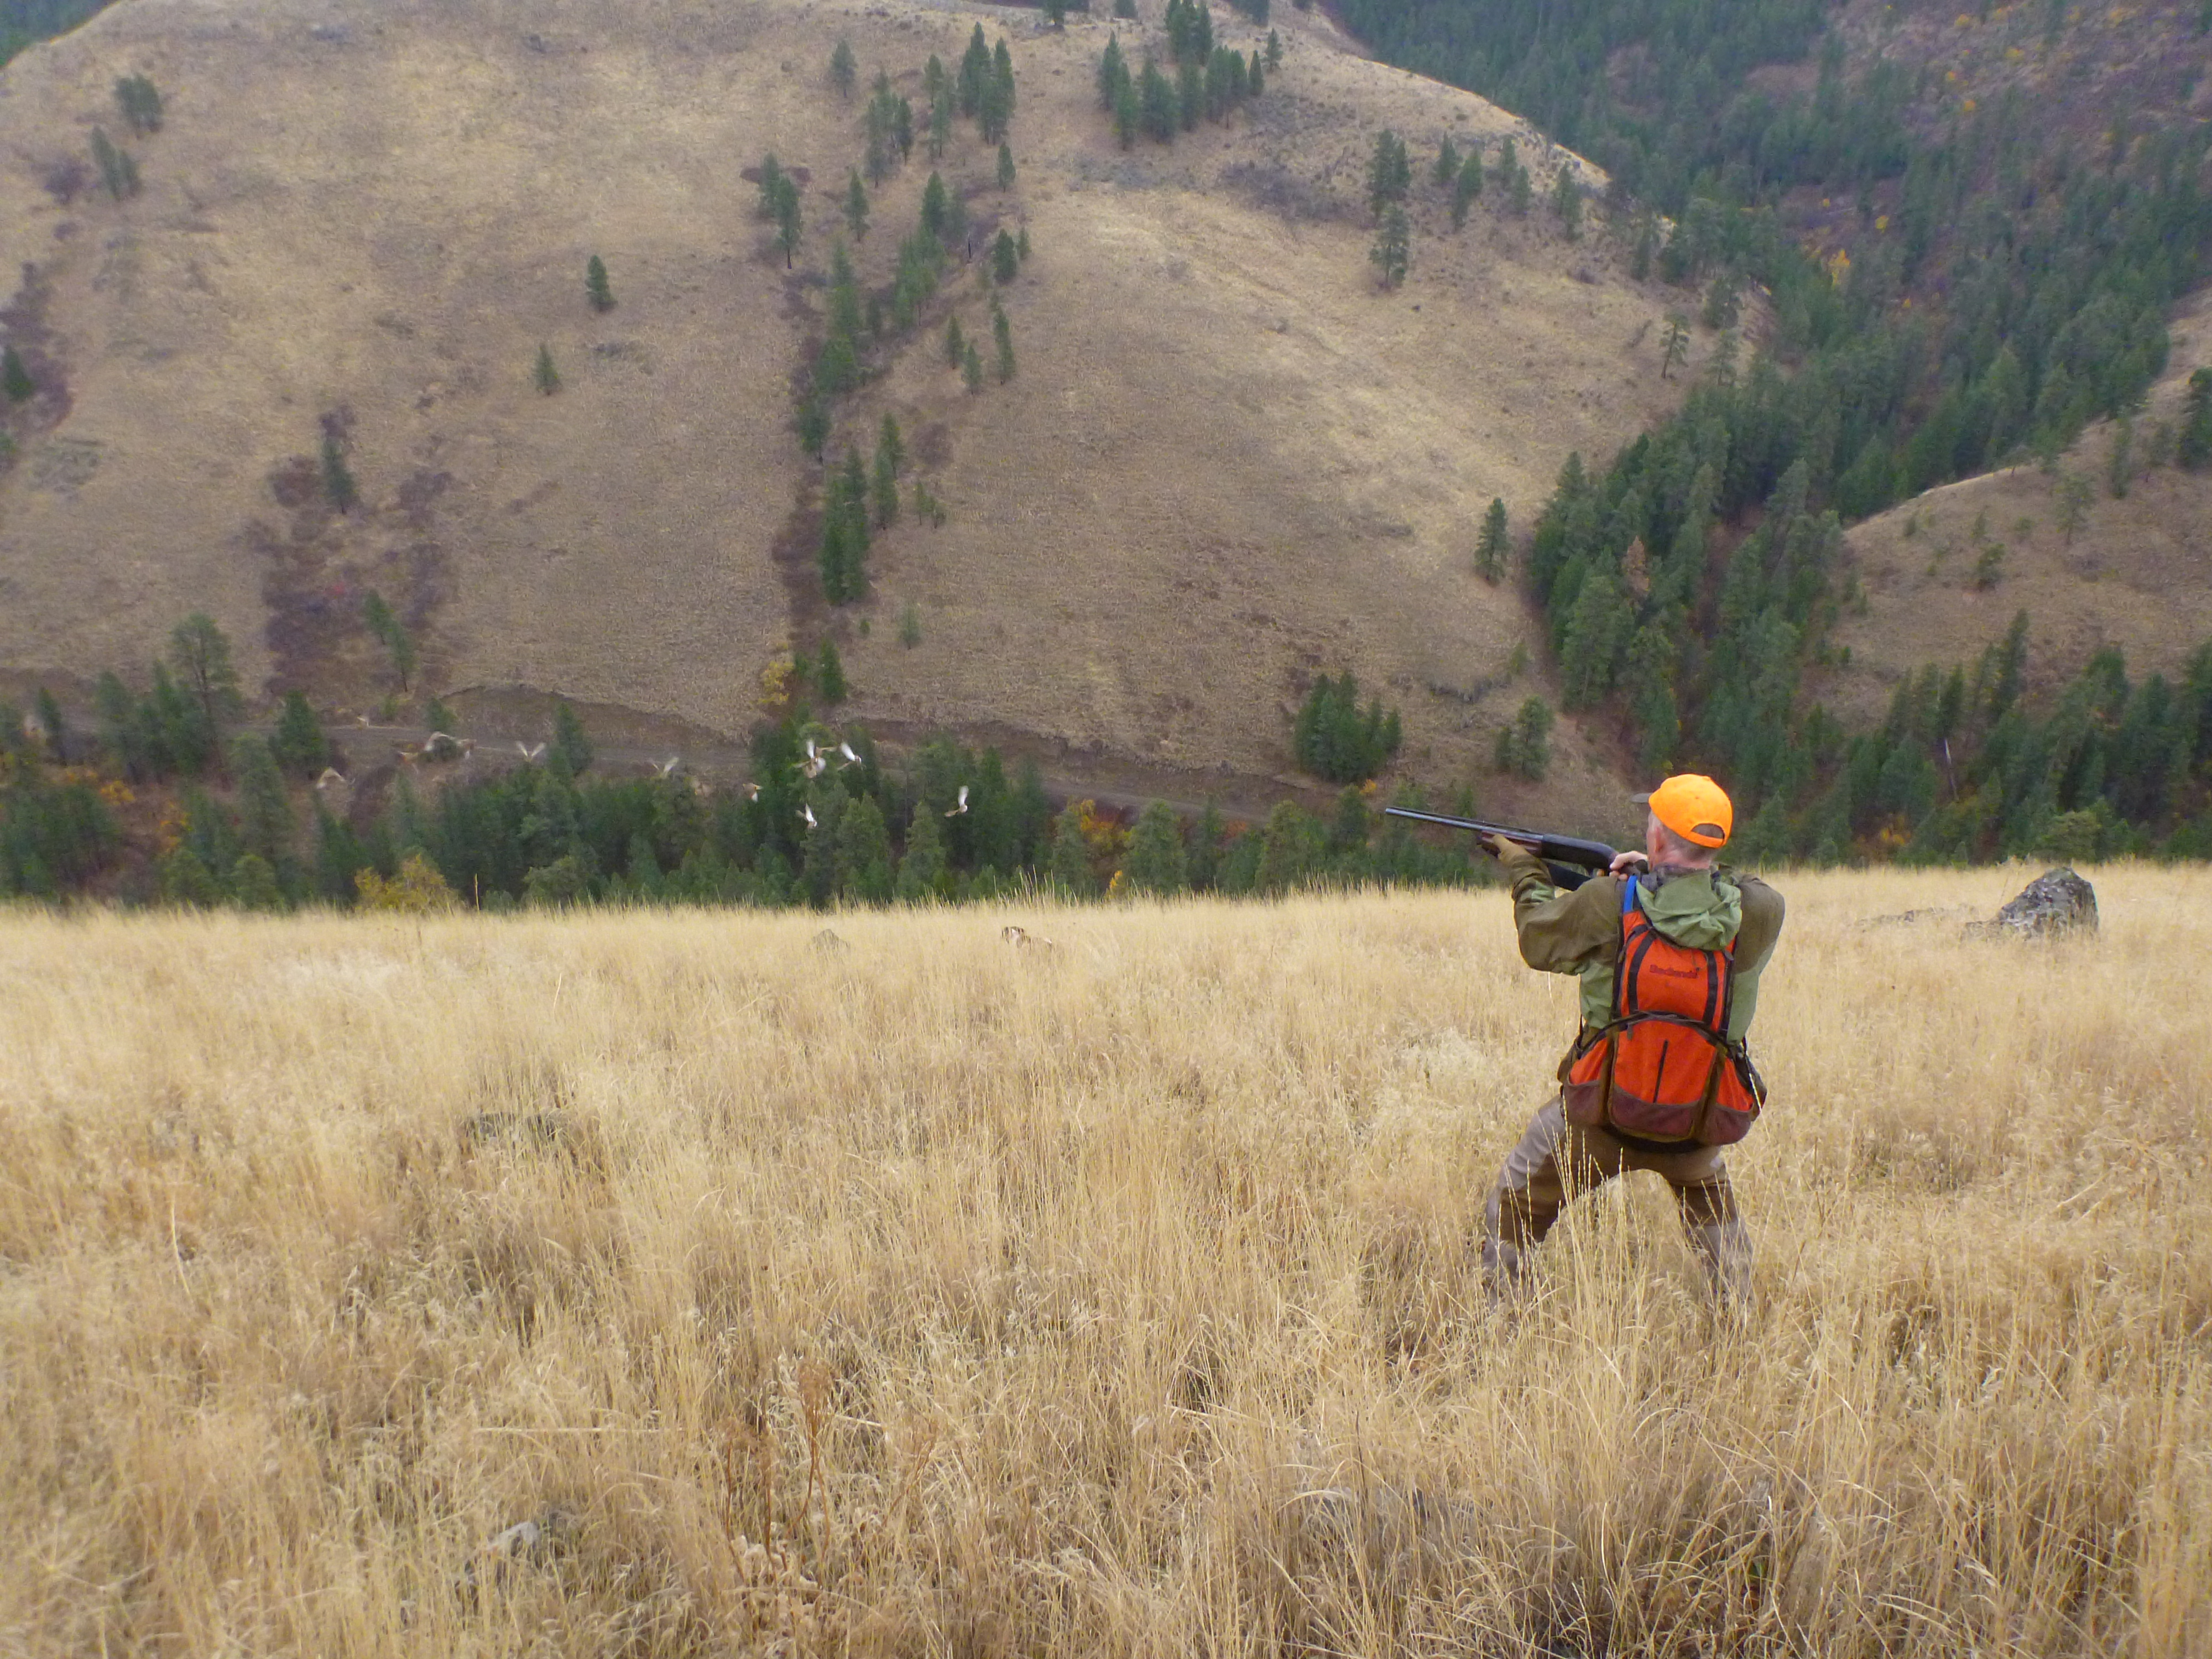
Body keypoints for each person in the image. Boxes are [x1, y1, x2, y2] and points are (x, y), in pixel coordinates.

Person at [1478, 774, 1783, 1305]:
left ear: (1659, 837)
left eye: (1653, 822)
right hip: (1699, 1117)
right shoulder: (1759, 912)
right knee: (1719, 1230)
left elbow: (1537, 939)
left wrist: (1526, 869)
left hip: (1601, 1116)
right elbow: (1736, 883)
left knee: (1514, 1204)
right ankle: (1739, 1323)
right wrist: (1659, 873)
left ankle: (1501, 1320)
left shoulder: (1607, 901)